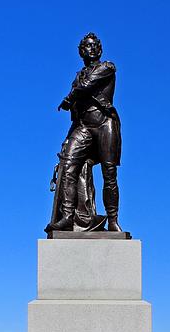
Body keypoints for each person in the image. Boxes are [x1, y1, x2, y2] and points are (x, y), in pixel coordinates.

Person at [46, 32, 123, 233]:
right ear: (81, 52)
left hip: (104, 123)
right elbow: (76, 109)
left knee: (109, 174)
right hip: (83, 126)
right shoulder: (78, 76)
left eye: (93, 45)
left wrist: (68, 98)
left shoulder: (107, 67)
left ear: (99, 48)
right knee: (68, 164)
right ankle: (68, 216)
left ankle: (113, 220)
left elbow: (87, 86)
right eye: (86, 46)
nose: (90, 49)